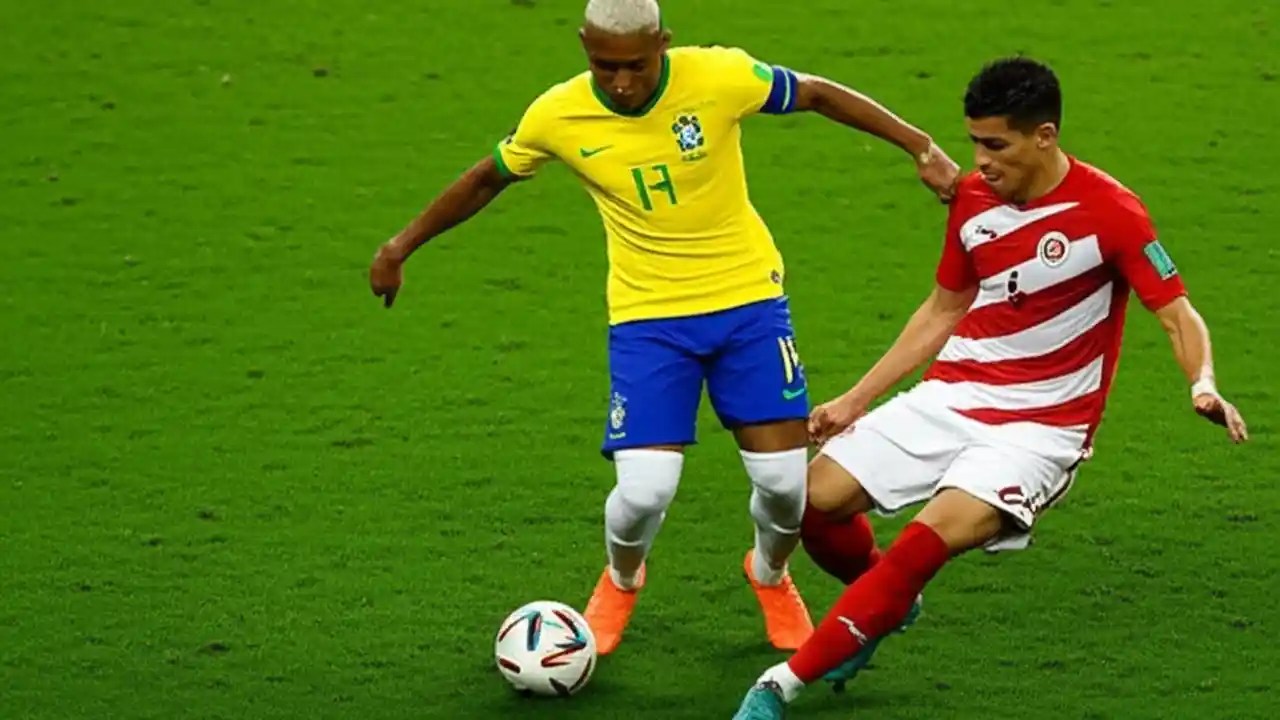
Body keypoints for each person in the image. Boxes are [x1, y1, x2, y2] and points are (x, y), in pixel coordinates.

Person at [368, 0, 960, 656]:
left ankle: (768, 574)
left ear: (664, 45)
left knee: (786, 489)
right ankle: (623, 578)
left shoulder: (719, 76)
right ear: (583, 46)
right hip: (650, 321)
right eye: (603, 65)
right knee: (644, 492)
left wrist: (920, 146)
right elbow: (488, 177)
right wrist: (400, 247)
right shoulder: (558, 114)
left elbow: (816, 94)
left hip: (749, 307)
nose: (620, 82)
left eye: (636, 66)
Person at [732, 55, 1249, 719]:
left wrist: (1202, 384)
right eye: (975, 142)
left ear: (1045, 136)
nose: (979, 161)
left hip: (1041, 427)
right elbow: (943, 309)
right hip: (952, 395)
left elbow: (1178, 314)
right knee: (809, 503)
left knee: (924, 541)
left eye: (995, 144)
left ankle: (779, 686)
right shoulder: (976, 200)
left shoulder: (1113, 213)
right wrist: (853, 401)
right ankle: (882, 606)